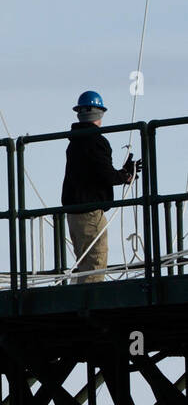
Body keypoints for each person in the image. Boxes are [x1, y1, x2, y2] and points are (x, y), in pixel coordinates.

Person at [62, 90, 138, 284]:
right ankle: (89, 307)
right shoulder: (97, 141)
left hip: (73, 213)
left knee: (83, 266)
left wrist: (122, 174)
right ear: (100, 113)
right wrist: (126, 175)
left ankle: (78, 304)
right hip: (90, 214)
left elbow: (93, 172)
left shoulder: (74, 142)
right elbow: (105, 174)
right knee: (95, 264)